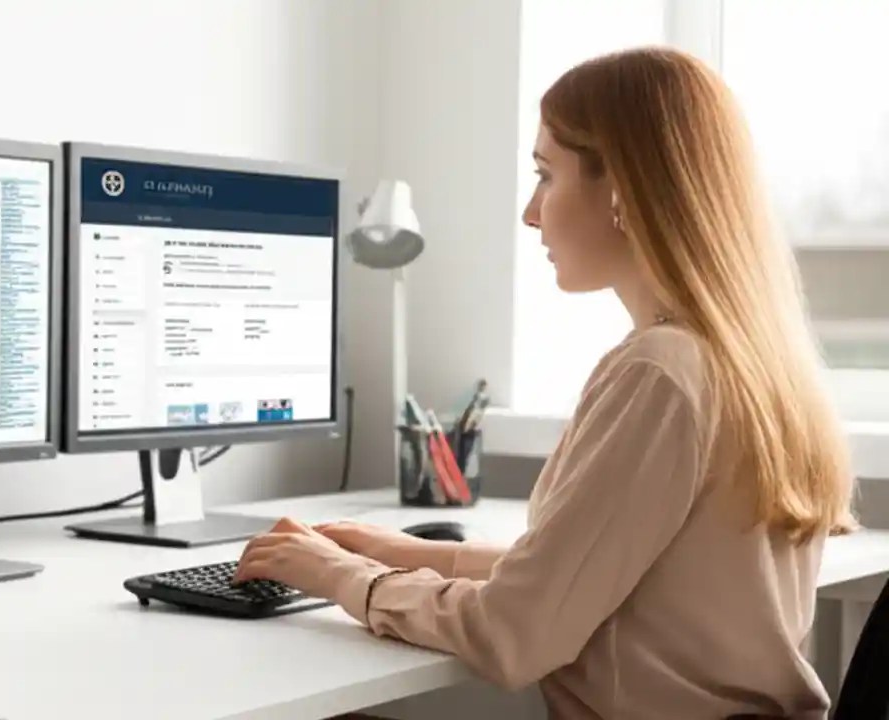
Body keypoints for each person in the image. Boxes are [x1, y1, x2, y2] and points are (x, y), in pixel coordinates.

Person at [233, 45, 858, 719]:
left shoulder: (660, 375)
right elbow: (609, 578)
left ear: (622, 190)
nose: (531, 213)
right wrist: (413, 554)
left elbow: (515, 633)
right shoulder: (747, 362)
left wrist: (339, 576)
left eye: (545, 176)